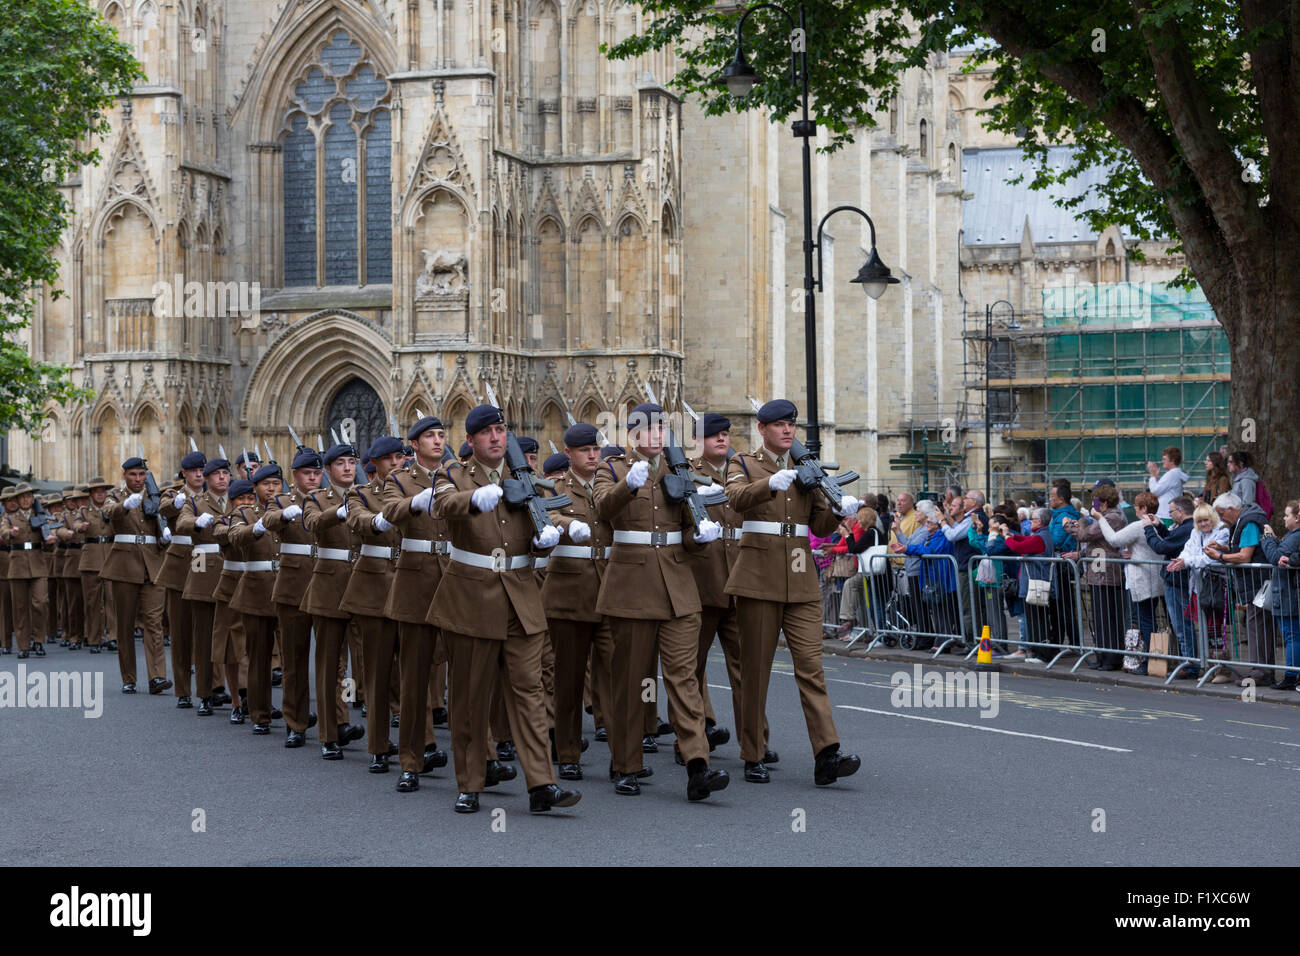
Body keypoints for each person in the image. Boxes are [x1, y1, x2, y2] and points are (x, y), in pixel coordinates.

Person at [431, 403, 579, 814]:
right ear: (471, 440)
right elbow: (442, 505)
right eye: (488, 432)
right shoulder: (454, 475)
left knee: (530, 694)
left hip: (520, 598)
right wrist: (474, 500)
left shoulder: (523, 478)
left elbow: (537, 523)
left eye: (502, 430)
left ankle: (542, 785)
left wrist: (546, 538)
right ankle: (471, 782)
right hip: (471, 602)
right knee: (471, 697)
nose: (497, 437)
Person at [724, 398, 860, 788]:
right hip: (757, 579)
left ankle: (826, 753)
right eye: (779, 425)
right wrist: (769, 483)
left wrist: (837, 510)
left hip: (800, 581)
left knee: (812, 669)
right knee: (756, 671)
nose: (787, 431)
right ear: (762, 429)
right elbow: (734, 500)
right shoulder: (743, 464)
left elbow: (817, 524)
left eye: (792, 425)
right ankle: (752, 753)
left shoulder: (806, 468)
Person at [595, 401, 727, 799]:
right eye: (649, 429)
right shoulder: (614, 467)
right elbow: (603, 508)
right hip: (631, 587)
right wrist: (628, 484)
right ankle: (626, 763)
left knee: (684, 678)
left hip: (678, 587)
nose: (657, 435)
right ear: (633, 434)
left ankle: (697, 765)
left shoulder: (679, 469)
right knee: (634, 681)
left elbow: (688, 527)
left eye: (662, 428)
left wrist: (700, 537)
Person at [377, 415, 452, 792]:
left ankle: (484, 759)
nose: (438, 441)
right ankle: (412, 758)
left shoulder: (460, 476)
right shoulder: (399, 480)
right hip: (416, 582)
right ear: (416, 445)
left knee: (471, 676)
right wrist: (415, 503)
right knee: (415, 675)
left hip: (457, 581)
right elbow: (389, 513)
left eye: (442, 436)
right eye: (431, 437)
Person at [540, 421, 616, 781]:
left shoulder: (608, 487)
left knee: (616, 679)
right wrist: (568, 525)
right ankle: (567, 752)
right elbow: (547, 513)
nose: (593, 455)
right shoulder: (555, 488)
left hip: (611, 593)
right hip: (569, 595)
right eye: (585, 450)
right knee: (568, 681)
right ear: (569, 454)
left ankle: (624, 758)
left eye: (596, 449)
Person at [343, 434, 407, 773]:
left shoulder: (417, 490)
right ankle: (379, 746)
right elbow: (356, 520)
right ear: (376, 465)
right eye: (390, 459)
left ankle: (416, 745)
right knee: (379, 671)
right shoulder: (361, 493)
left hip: (412, 583)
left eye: (401, 458)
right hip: (375, 588)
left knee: (413, 671)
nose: (397, 464)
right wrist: (376, 521)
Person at [301, 443, 367, 759]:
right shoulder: (316, 499)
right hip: (329, 587)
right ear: (328, 470)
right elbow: (312, 523)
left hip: (363, 584)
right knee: (331, 663)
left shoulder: (366, 495)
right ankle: (329, 733)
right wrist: (338, 512)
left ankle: (345, 721)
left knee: (362, 661)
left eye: (352, 462)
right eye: (340, 463)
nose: (347, 468)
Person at [259, 447, 325, 748]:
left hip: (326, 585)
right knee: (295, 660)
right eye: (306, 473)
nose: (312, 478)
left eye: (316, 473)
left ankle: (333, 726)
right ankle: (296, 722)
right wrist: (284, 515)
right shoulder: (280, 501)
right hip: (293, 587)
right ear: (295, 476)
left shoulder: (331, 500)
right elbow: (269, 520)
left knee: (331, 663)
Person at [685, 412, 743, 756]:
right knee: (692, 666)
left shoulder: (741, 471)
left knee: (745, 668)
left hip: (738, 580)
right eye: (713, 435)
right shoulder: (687, 473)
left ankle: (755, 742)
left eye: (725, 434)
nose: (721, 439)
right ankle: (696, 730)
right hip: (701, 581)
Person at [101, 458, 169, 695]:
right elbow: (108, 511)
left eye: (141, 474)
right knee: (125, 623)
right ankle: (128, 677)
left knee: (153, 622)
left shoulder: (154, 495)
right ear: (124, 475)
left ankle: (157, 676)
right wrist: (125, 506)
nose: (138, 479)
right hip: (124, 565)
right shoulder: (116, 496)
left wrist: (166, 533)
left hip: (152, 563)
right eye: (133, 475)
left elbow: (163, 520)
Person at [227, 464, 286, 734]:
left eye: (276, 483)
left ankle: (292, 712)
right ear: (255, 488)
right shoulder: (244, 513)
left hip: (286, 588)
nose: (272, 488)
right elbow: (236, 536)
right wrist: (259, 526)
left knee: (291, 658)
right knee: (258, 656)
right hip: (256, 590)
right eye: (266, 484)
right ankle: (259, 713)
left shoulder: (290, 510)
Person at [174, 458, 232, 715]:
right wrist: (196, 522)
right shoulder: (195, 502)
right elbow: (181, 522)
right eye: (216, 474)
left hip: (234, 569)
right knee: (205, 636)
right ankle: (206, 692)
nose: (222, 478)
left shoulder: (238, 499)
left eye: (225, 473)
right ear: (207, 479)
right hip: (204, 569)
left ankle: (240, 695)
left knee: (234, 635)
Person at [1207, 491, 1275, 686]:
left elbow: (1245, 556)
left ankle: (1259, 673)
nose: (1220, 518)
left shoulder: (1249, 522)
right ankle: (1264, 671)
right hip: (1258, 582)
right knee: (1258, 626)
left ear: (1231, 508)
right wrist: (1224, 549)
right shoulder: (1249, 519)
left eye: (1221, 513)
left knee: (1257, 627)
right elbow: (1245, 550)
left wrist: (1219, 557)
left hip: (1258, 584)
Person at [157, 449, 207, 707]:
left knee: (204, 629)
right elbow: (163, 507)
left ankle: (208, 690)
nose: (199, 474)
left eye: (202, 470)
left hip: (205, 563)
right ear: (184, 473)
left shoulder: (213, 496)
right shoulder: (174, 494)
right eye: (194, 471)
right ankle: (183, 690)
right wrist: (177, 503)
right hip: (179, 565)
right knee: (180, 630)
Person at [1096, 491, 1164, 675]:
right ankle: (1153, 660)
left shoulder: (1139, 525)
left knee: (1145, 622)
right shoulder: (1161, 523)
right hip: (1155, 579)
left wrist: (1100, 518)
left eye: (1136, 506)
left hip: (1142, 580)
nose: (1134, 508)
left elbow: (1114, 539)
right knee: (1148, 620)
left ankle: (1149, 661)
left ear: (1143, 508)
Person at [1066, 482, 1128, 670]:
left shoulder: (1111, 517)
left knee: (1107, 617)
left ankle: (1111, 658)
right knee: (1100, 617)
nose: (1093, 503)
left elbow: (1085, 535)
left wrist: (1069, 525)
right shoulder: (1105, 517)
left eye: (1096, 499)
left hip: (1106, 572)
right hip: (1098, 569)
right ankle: (1103, 656)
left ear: (1104, 501)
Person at [1143, 495, 1200, 678]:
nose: (1170, 514)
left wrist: (1148, 530)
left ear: (1181, 511)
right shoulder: (1185, 528)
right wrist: (1159, 525)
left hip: (1178, 582)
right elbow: (1172, 541)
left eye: (1171, 511)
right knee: (1181, 625)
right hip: (1176, 581)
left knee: (1182, 626)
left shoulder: (1187, 528)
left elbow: (1161, 547)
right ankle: (1188, 663)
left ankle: (1190, 665)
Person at [2, 483, 53, 659]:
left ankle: (39, 640)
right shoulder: (9, 517)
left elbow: (47, 535)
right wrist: (10, 532)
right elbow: (3, 531)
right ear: (16, 499)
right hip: (17, 564)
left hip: (38, 563)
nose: (26, 499)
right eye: (22, 496)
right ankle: (24, 645)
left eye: (29, 496)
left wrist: (50, 540)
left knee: (41, 602)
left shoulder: (40, 515)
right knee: (20, 607)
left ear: (33, 499)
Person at [1001, 507, 1057, 663]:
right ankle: (1037, 652)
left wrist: (1007, 537)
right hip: (1035, 583)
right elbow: (1025, 541)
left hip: (1038, 583)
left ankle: (1042, 654)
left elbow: (1018, 547)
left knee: (1038, 619)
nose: (1030, 522)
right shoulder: (1040, 535)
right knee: (1034, 618)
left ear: (1039, 521)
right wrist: (1013, 536)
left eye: (1032, 519)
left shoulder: (1040, 537)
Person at [1260, 502, 1300, 690]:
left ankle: (1291, 676)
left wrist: (1268, 538)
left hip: (1288, 595)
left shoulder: (1295, 536)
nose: (1283, 518)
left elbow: (1274, 557)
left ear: (1297, 517)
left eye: (1286, 515)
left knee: (1292, 636)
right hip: (1288, 594)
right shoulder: (1293, 536)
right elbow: (1280, 555)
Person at [75, 477, 116, 654]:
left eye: (102, 491)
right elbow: (75, 523)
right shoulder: (84, 511)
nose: (100, 494)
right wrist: (80, 527)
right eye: (96, 491)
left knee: (112, 601)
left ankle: (113, 637)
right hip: (91, 559)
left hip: (111, 557)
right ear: (91, 494)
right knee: (92, 602)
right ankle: (94, 638)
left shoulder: (112, 509)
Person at [1147, 447, 1188, 521]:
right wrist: (1155, 477)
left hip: (1166, 515)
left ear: (1172, 461)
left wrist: (1153, 476)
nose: (1162, 461)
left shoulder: (1172, 474)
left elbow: (1154, 492)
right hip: (1168, 514)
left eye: (1164, 459)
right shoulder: (1175, 474)